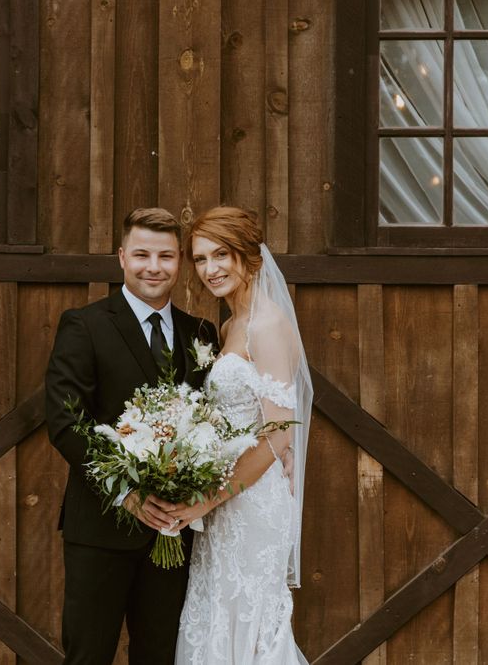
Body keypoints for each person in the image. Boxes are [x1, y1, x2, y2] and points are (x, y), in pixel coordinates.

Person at [45, 208, 219, 664]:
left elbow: (211, 424)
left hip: (173, 533)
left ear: (179, 261)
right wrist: (126, 494)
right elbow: (66, 424)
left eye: (165, 256)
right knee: (89, 654)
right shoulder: (85, 325)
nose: (153, 267)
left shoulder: (201, 333)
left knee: (160, 655)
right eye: (141, 254)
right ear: (122, 257)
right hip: (101, 526)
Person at [170, 206, 311, 664]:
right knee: (215, 617)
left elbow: (279, 435)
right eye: (200, 259)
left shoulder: (267, 326)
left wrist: (209, 498)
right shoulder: (231, 326)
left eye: (221, 255)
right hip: (224, 502)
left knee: (247, 620)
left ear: (249, 256)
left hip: (250, 504)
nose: (210, 270)